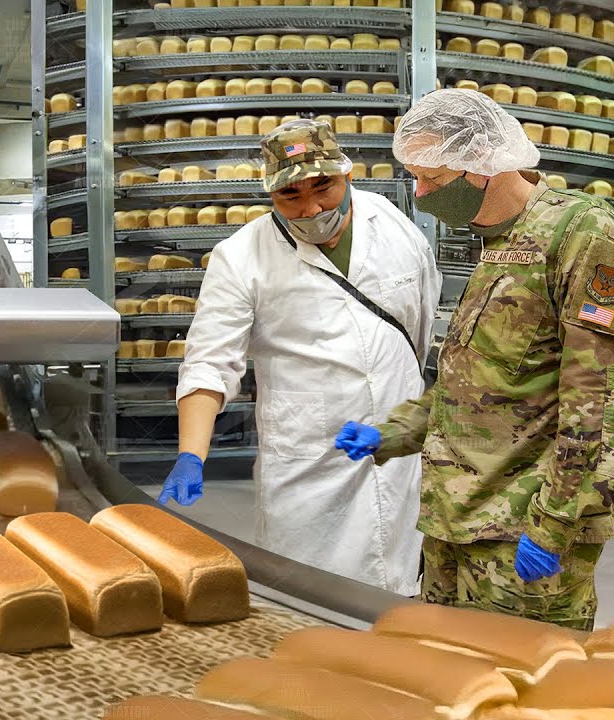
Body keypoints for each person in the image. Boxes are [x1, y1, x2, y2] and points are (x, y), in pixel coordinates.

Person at [336, 89, 614, 630]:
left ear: (481, 168)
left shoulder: (583, 232)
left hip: (521, 527)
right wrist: (395, 432)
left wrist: (554, 524)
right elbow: (477, 377)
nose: (420, 194)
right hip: (455, 517)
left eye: (432, 180)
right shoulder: (498, 241)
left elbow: (596, 402)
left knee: (527, 689)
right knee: (449, 673)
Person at [160, 119, 441, 595]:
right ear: (270, 194)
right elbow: (210, 360)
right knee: (307, 599)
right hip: (309, 457)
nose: (311, 207)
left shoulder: (392, 224)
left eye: (324, 187)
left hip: (394, 444)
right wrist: (192, 453)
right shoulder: (241, 256)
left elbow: (421, 322)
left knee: (401, 589)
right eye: (291, 196)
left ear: (347, 173)